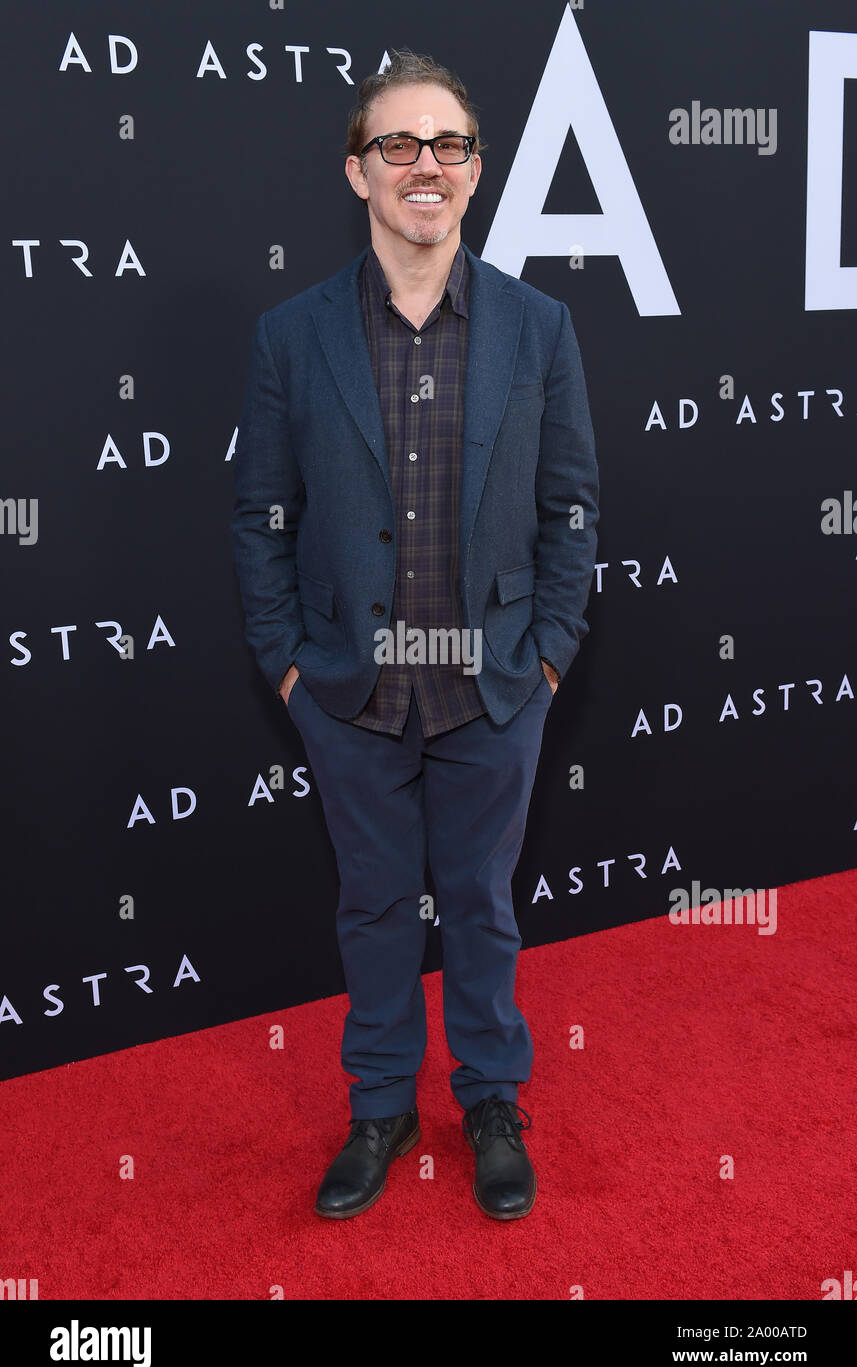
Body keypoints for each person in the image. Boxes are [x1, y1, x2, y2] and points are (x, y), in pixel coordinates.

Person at [231, 49, 599, 1221]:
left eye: (446, 144)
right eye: (398, 143)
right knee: (375, 904)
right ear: (358, 171)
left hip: (493, 686)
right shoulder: (292, 337)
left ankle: (489, 1097)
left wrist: (544, 652)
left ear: (476, 171)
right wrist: (288, 659)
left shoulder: (538, 328)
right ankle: (379, 1107)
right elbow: (259, 513)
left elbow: (569, 505)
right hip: (350, 692)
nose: (423, 164)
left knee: (482, 901)